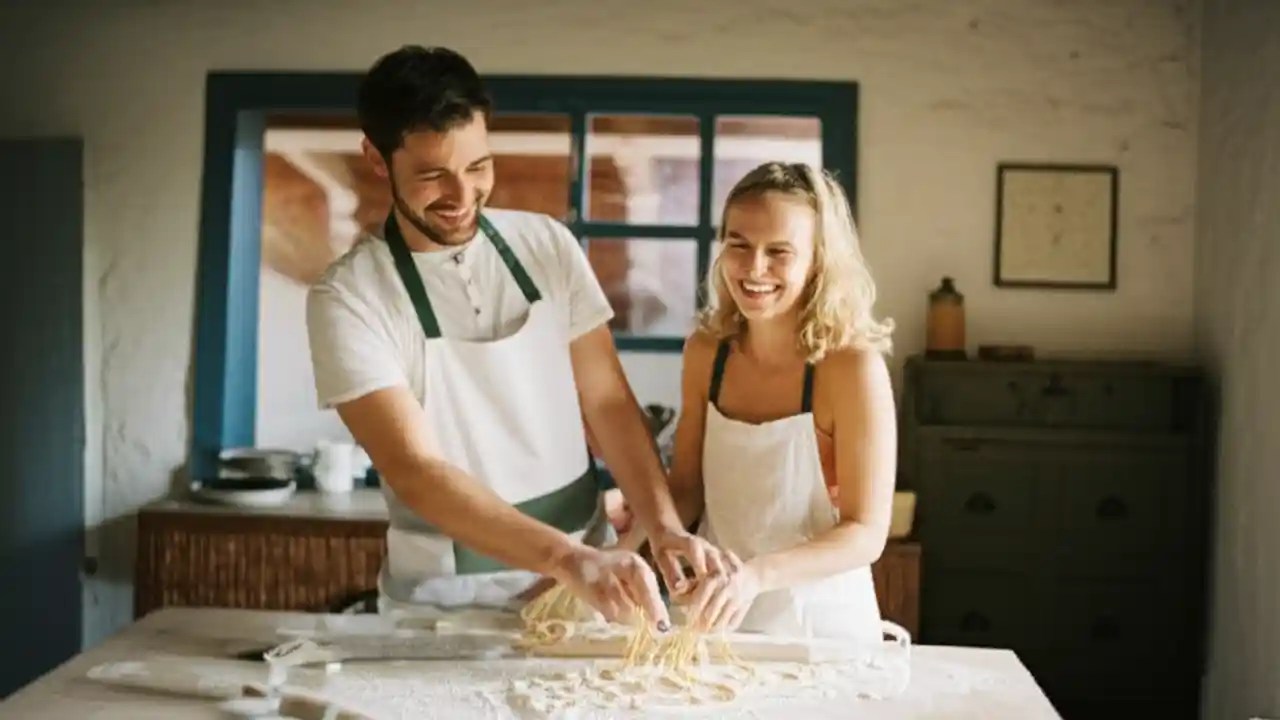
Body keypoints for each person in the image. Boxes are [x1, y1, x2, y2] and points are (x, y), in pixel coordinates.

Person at [305, 45, 729, 629]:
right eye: (432, 175)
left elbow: (605, 401)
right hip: (443, 605)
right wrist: (563, 557)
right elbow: (416, 471)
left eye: (478, 167)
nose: (461, 195)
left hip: (590, 589)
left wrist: (663, 528)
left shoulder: (546, 246)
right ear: (376, 159)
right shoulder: (351, 296)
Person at [658, 161, 897, 641]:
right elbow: (686, 489)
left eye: (779, 252)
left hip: (819, 625)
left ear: (819, 261)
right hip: (711, 618)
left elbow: (866, 533)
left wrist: (755, 576)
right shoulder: (707, 352)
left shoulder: (850, 367)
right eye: (738, 245)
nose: (754, 269)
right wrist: (625, 550)